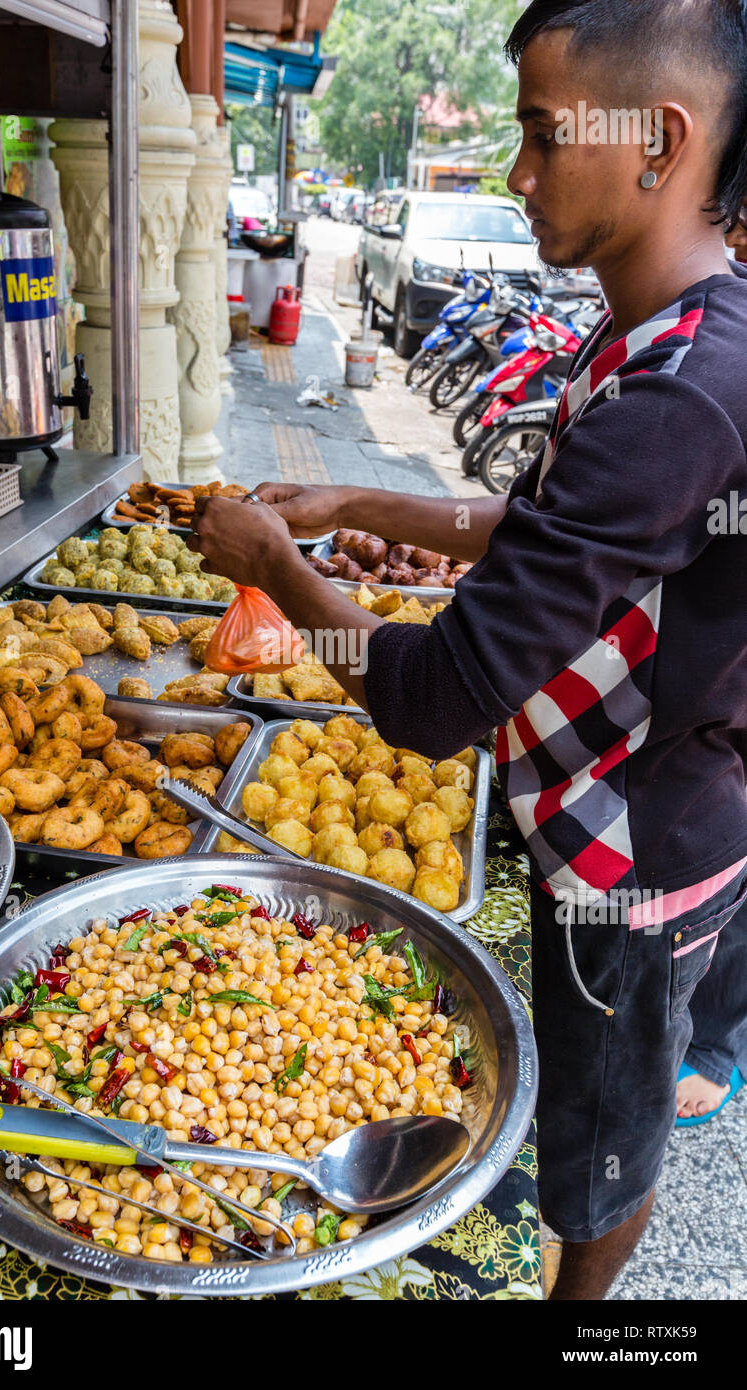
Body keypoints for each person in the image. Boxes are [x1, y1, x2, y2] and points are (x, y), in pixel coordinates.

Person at [188, 0, 747, 1300]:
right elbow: (555, 529)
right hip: (586, 810)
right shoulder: (649, 340)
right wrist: (353, 503)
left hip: (628, 863)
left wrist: (276, 564)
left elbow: (433, 700)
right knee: (599, 1106)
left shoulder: (679, 392)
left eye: (544, 136)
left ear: (657, 142)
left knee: (597, 1151)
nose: (515, 174)